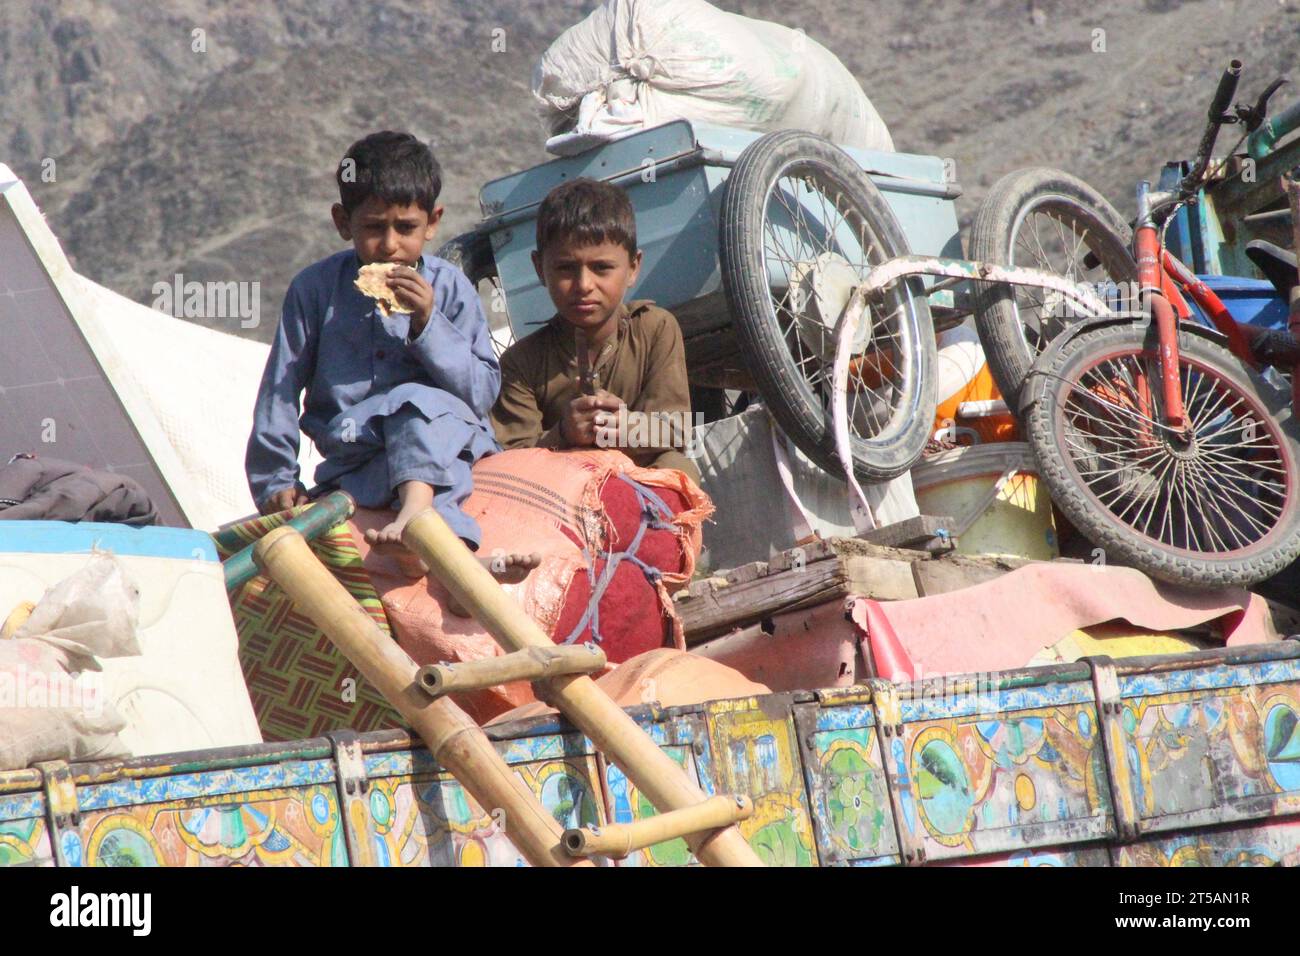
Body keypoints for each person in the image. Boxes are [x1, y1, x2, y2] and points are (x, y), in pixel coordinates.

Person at [246, 130, 537, 584]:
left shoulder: (450, 288)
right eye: (372, 227)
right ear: (343, 222)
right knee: (404, 412)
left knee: (415, 405)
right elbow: (280, 388)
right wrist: (274, 479)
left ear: (433, 222)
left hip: (446, 447)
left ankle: (437, 545)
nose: (389, 245)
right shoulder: (314, 290)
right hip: (360, 461)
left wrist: (427, 322)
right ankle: (454, 568)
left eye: (405, 228)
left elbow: (481, 394)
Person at [490, 177, 699, 483]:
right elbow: (511, 461)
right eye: (565, 268)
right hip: (564, 491)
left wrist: (627, 426)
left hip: (642, 483)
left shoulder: (655, 329)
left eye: (601, 268)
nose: (584, 286)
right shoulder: (520, 364)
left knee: (678, 470)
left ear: (633, 266)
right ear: (539, 268)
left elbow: (679, 431)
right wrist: (563, 434)